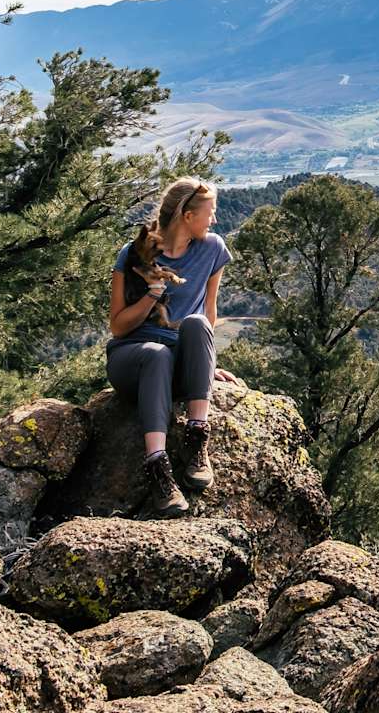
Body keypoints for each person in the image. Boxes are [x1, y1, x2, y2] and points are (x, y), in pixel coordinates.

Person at [106, 177, 233, 518]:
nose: (215, 220)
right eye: (211, 212)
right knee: (156, 353)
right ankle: (158, 468)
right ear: (186, 216)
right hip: (132, 359)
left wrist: (206, 364)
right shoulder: (134, 254)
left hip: (178, 361)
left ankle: (196, 438)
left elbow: (209, 312)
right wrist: (151, 295)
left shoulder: (213, 249)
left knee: (194, 324)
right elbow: (117, 325)